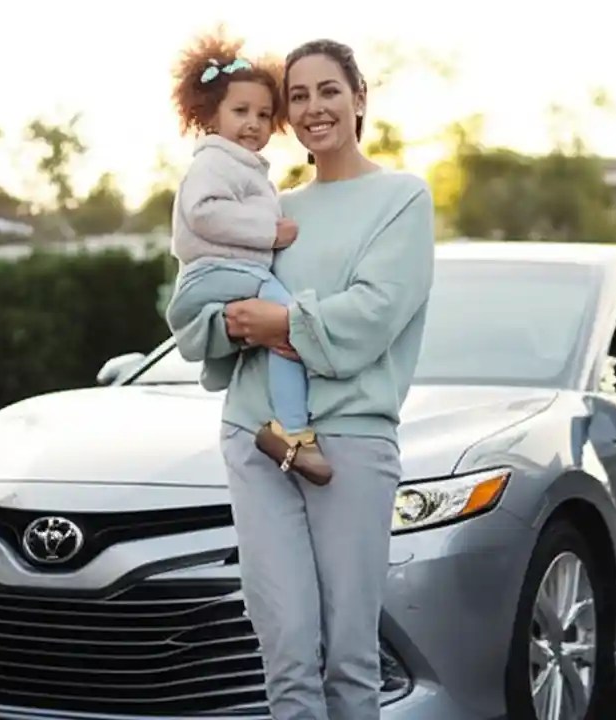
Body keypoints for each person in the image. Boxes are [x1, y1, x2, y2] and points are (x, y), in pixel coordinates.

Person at [192, 38, 436, 720]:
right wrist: (243, 323)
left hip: (351, 444)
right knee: (288, 650)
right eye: (297, 97)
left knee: (349, 658)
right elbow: (201, 311)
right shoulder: (269, 210)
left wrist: (277, 322)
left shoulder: (401, 199)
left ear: (359, 98)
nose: (312, 108)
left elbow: (375, 314)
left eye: (328, 91)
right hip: (254, 436)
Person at [163, 30, 332, 486]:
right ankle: (294, 431)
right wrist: (269, 234)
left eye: (263, 114)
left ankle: (280, 419)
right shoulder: (214, 162)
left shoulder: (242, 164)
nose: (253, 123)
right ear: (209, 115)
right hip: (215, 273)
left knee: (282, 329)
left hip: (230, 274)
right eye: (240, 112)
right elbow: (204, 213)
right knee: (289, 323)